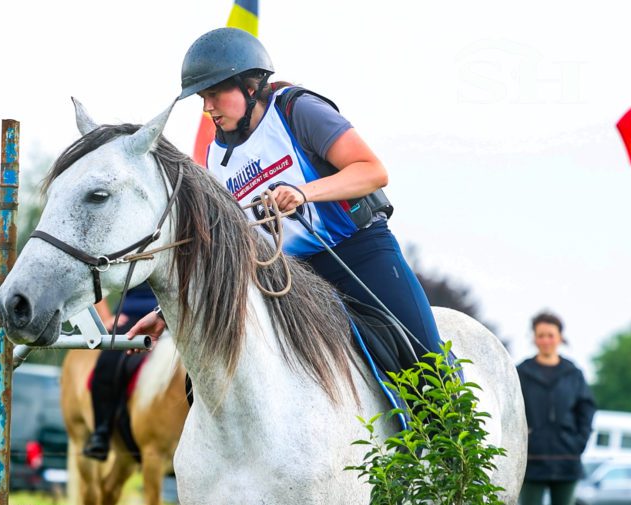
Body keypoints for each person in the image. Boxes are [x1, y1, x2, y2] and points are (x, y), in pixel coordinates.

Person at [128, 27, 441, 361]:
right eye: (202, 98)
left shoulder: (297, 111)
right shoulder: (213, 159)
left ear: (250, 86)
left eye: (214, 93)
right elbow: (224, 247)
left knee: (426, 363)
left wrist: (303, 193)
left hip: (359, 254)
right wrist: (166, 314)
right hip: (288, 281)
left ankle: (446, 411)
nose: (207, 107)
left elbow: (372, 171)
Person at [515, 311, 596, 505]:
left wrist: (579, 442)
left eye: (550, 335)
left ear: (560, 337)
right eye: (541, 335)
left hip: (566, 458)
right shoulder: (522, 372)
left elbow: (586, 409)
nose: (546, 340)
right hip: (533, 458)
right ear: (534, 338)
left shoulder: (573, 374)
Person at [82, 283, 159, 460]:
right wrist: (106, 317)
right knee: (107, 363)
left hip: (173, 313)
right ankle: (101, 432)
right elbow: (97, 278)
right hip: (131, 314)